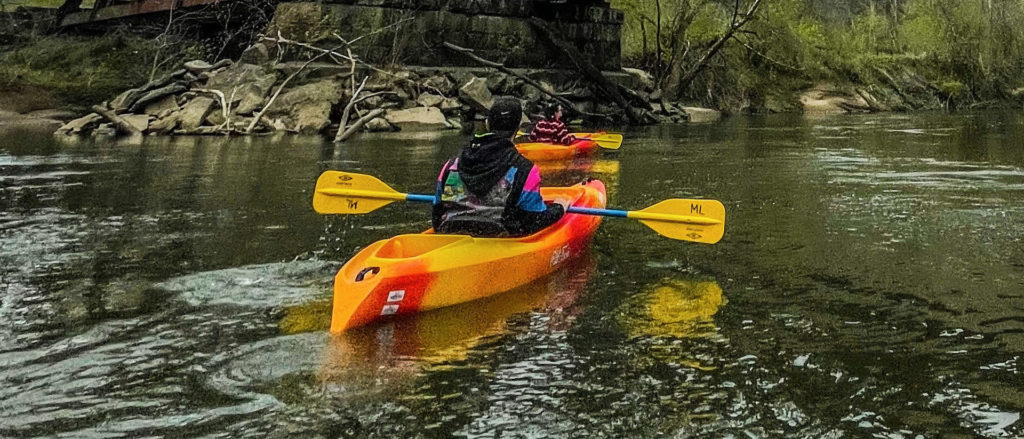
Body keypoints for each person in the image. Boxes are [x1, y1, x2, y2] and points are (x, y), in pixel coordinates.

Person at [432, 97, 567, 237]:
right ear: (518, 128)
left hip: (451, 234)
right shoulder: (525, 169)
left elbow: (437, 217)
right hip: (499, 238)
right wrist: (559, 208)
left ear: (487, 124)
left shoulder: (450, 165)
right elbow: (533, 222)